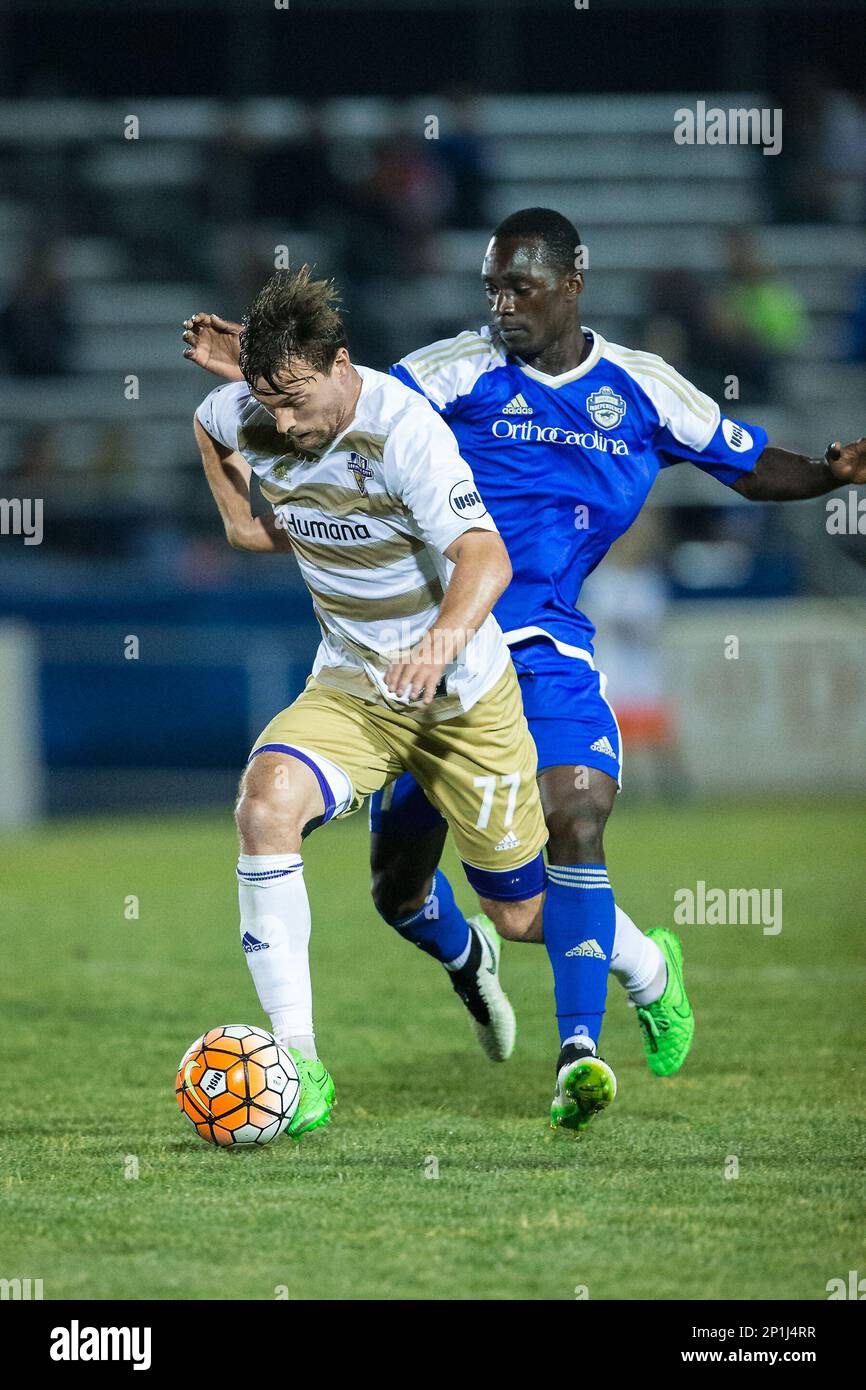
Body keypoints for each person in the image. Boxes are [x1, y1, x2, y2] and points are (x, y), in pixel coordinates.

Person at [184, 209, 866, 1131]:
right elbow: (352, 399)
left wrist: (831, 472)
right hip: (393, 664)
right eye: (490, 288)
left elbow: (745, 466)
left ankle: (594, 1036)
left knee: (572, 820)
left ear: (571, 283)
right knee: (399, 893)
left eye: (519, 289)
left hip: (516, 655)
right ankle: (492, 968)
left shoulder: (641, 389)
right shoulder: (451, 373)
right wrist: (260, 381)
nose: (501, 307)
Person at [192, 263, 620, 1141]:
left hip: (462, 697)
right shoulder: (240, 410)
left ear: (341, 364)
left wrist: (438, 640)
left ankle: (649, 966)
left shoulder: (406, 430)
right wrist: (250, 506)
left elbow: (487, 559)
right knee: (266, 805)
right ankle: (299, 1066)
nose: (283, 424)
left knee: (524, 908)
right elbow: (229, 477)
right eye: (269, 402)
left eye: (298, 400)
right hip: (355, 686)